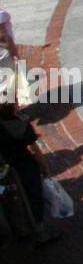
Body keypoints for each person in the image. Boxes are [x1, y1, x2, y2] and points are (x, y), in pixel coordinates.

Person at [0, 102, 60, 245]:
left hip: (5, 172)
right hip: (25, 167)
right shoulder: (22, 127)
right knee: (33, 199)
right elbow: (34, 150)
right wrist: (44, 166)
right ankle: (40, 233)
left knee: (10, 202)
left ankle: (19, 232)